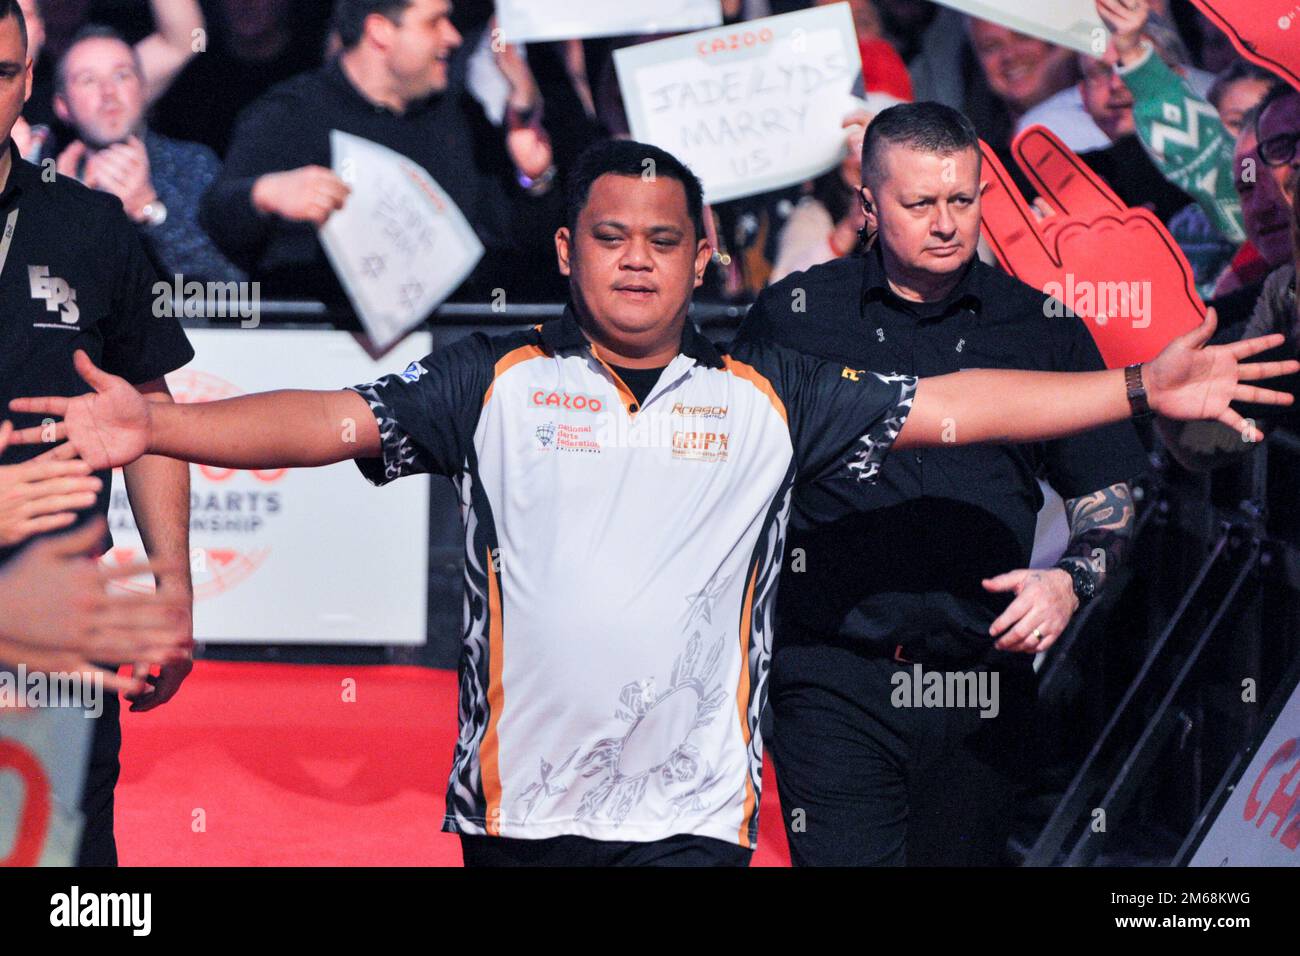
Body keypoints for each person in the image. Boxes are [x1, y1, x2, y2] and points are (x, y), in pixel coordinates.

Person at [10, 138, 1293, 867]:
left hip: (694, 815)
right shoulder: (491, 379)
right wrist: (159, 422)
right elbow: (329, 416)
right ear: (567, 251)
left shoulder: (770, 389)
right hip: (517, 812)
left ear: (697, 255)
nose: (636, 257)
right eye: (609, 234)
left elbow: (963, 409)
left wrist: (1135, 384)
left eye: (662, 237)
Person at [737, 101, 1146, 865]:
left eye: (962, 199)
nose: (946, 222)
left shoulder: (1043, 328)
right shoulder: (795, 316)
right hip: (832, 678)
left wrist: (1069, 584)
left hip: (979, 683)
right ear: (867, 204)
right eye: (919, 203)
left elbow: (1110, 495)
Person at [0, 0, 195, 867]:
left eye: (2, 74)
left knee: (65, 874)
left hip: (59, 631)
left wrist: (174, 588)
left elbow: (146, 406)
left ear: (28, 80)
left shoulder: (90, 226)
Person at [200, 0, 564, 326]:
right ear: (380, 31)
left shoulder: (459, 117)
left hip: (442, 356)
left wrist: (536, 179)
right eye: (434, 22)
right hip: (313, 350)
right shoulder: (291, 113)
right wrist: (265, 195)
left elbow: (521, 249)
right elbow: (217, 217)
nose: (453, 37)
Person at [53, 25, 245, 285]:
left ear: (143, 90)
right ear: (62, 106)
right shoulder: (44, 171)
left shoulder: (189, 164)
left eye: (121, 76)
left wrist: (149, 209)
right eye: (88, 80)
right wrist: (66, 218)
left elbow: (229, 284)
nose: (108, 93)